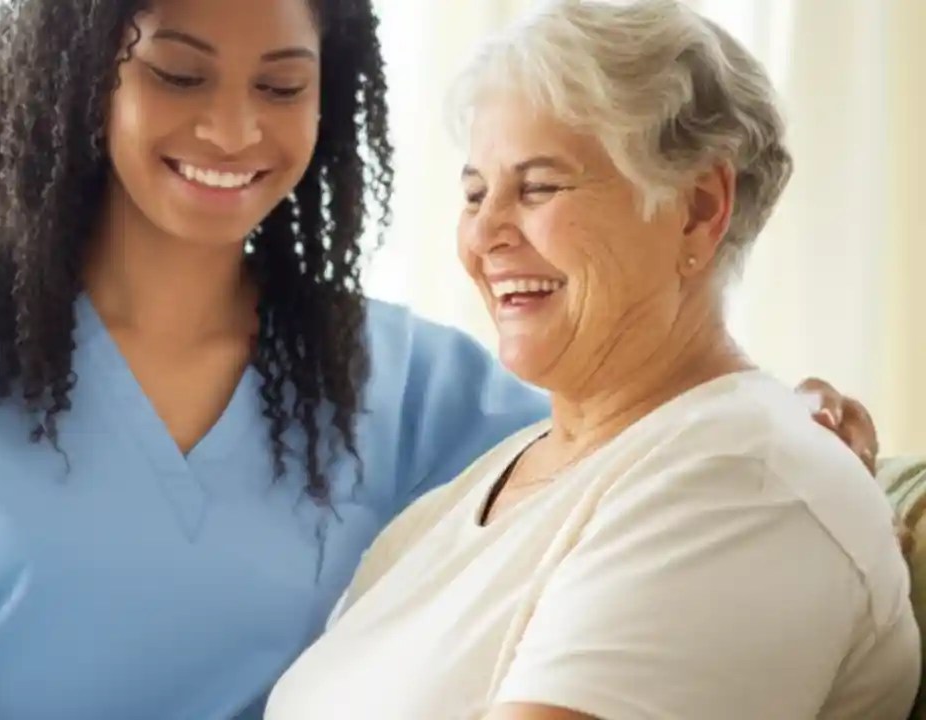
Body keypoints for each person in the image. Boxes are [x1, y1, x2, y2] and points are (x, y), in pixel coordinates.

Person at [0, 1, 879, 718]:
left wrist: (794, 414)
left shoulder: (415, 384)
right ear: (76, 80)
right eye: (179, 74)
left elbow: (645, 445)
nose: (234, 130)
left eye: (281, 86)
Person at [265, 2, 920, 719]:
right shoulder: (469, 496)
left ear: (699, 207)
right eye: (475, 192)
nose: (484, 233)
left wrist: (777, 448)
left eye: (539, 186)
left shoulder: (743, 484)